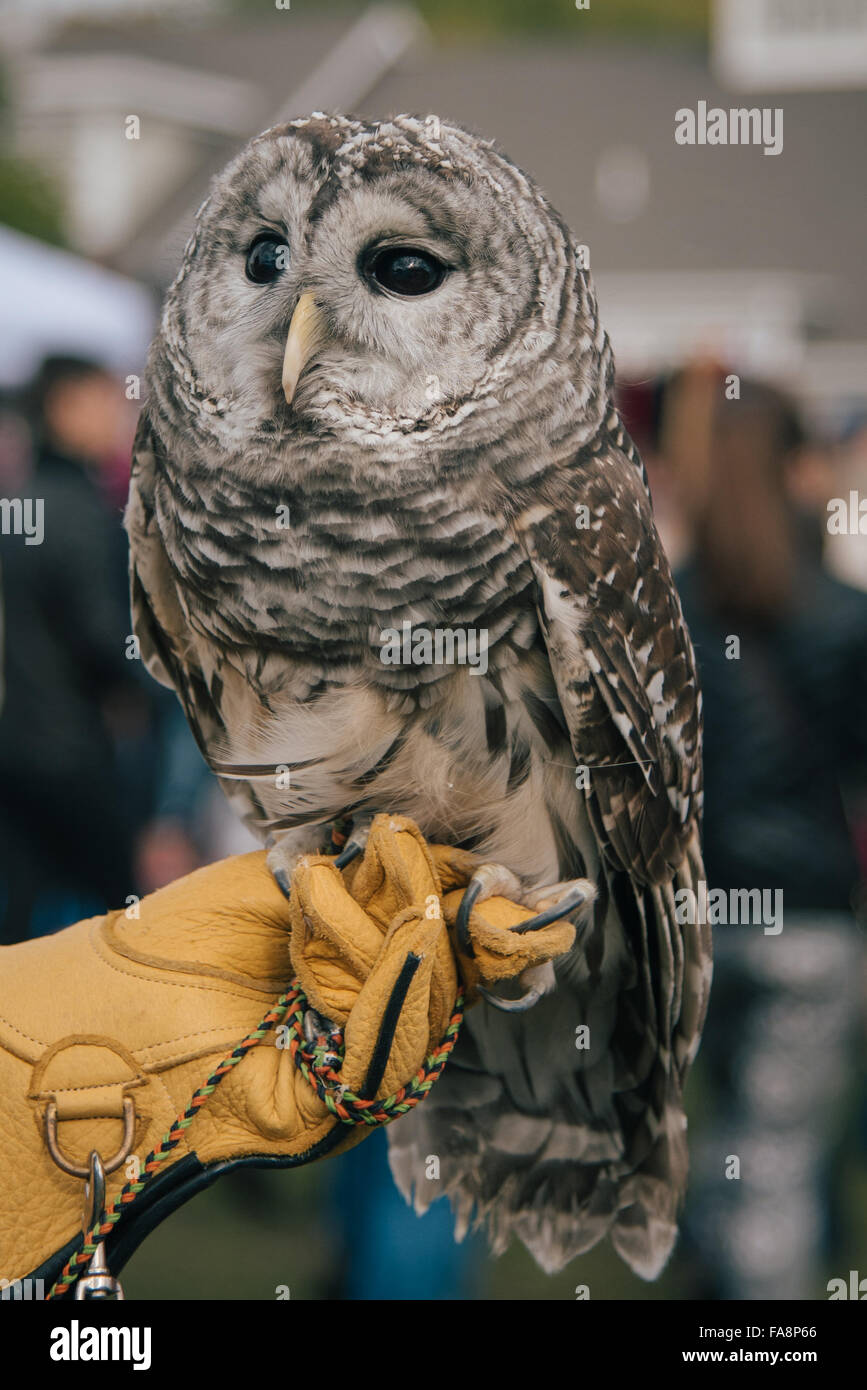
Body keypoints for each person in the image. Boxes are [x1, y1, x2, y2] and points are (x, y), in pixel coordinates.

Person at [661, 367, 867, 1300]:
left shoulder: (665, 611)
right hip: (809, 920)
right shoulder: (839, 617)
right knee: (772, 1157)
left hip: (695, 918)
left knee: (726, 1146)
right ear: (794, 465)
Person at [0, 355, 146, 941]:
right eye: (104, 400)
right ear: (64, 408)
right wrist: (147, 688)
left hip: (14, 743)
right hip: (71, 747)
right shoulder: (82, 513)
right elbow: (102, 638)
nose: (119, 414)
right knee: (123, 917)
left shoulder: (20, 503)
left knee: (20, 913)